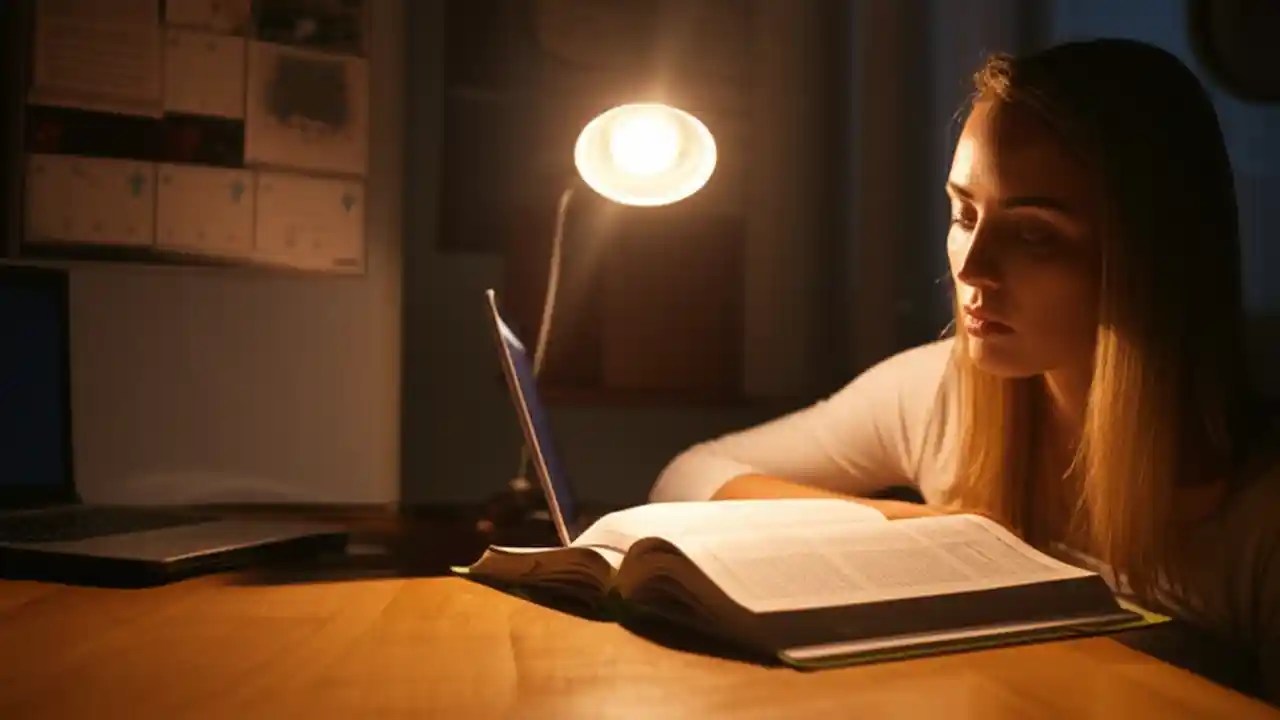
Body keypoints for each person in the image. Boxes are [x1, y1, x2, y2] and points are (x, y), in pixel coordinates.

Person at [650, 39, 1278, 702]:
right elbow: (686, 477)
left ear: (1148, 256)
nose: (973, 269)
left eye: (1034, 233)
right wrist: (925, 534)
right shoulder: (941, 395)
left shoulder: (1256, 510)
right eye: (964, 213)